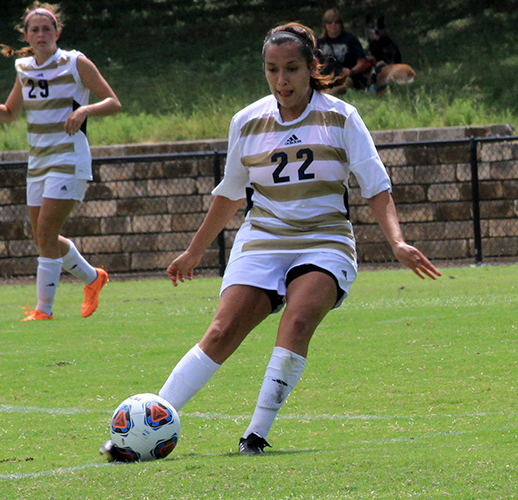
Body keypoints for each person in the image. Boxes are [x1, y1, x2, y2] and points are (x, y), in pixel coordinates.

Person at [101, 22, 440, 460]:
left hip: (325, 240)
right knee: (222, 331)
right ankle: (147, 426)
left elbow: (376, 187)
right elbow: (230, 193)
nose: (282, 80)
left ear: (312, 67)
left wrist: (397, 242)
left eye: (293, 69)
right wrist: (194, 250)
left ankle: (255, 436)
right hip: (262, 239)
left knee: (297, 321)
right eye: (272, 70)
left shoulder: (341, 117)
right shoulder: (247, 121)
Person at [0, 2, 121, 320]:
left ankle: (43, 309)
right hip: (37, 161)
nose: (41, 34)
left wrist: (84, 110)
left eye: (46, 29)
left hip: (69, 157)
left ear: (57, 33)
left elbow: (113, 102)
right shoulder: (24, 69)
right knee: (41, 235)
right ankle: (93, 278)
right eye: (34, 30)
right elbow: (8, 114)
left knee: (47, 231)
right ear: (26, 35)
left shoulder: (75, 62)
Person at [316, 9, 371, 95]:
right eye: (329, 22)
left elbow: (362, 62)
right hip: (325, 76)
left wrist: (350, 71)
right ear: (325, 25)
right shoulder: (319, 43)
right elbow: (315, 62)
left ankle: (326, 96)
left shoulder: (350, 40)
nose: (333, 25)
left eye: (337, 22)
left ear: (341, 24)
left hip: (345, 76)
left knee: (342, 83)